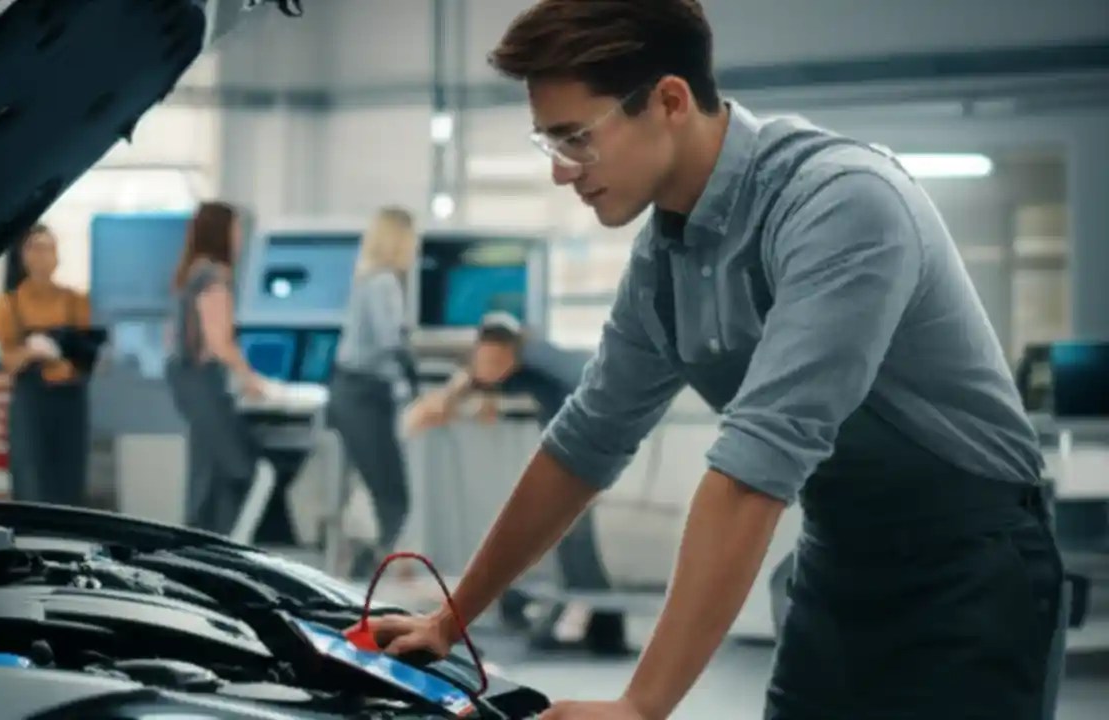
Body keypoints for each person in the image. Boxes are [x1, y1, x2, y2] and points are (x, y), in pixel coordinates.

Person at [358, 2, 1065, 719]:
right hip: (838, 557)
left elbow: (754, 467)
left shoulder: (842, 206)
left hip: (971, 566)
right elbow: (585, 442)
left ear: (668, 100)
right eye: (551, 145)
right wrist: (453, 620)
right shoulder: (664, 259)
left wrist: (641, 705)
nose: (563, 173)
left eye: (576, 138)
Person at [404, 312, 629, 656]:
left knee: (574, 538)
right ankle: (600, 630)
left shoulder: (544, 362)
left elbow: (598, 394)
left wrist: (597, 468)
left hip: (595, 437)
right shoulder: (513, 364)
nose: (488, 367)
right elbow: (474, 380)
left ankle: (602, 629)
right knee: (568, 540)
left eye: (495, 358)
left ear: (511, 351)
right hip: (577, 445)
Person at [166, 201, 273, 536]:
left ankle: (206, 543)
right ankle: (228, 542)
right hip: (202, 381)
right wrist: (251, 379)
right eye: (237, 229)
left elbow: (175, 335)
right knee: (240, 468)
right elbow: (219, 341)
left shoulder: (191, 271)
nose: (240, 237)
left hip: (185, 380)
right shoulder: (214, 277)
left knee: (207, 469)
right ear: (221, 233)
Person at [327, 206, 422, 579]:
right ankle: (381, 579)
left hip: (351, 391)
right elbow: (388, 341)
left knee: (375, 491)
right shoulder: (385, 282)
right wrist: (412, 380)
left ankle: (372, 568)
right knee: (393, 495)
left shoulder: (367, 279)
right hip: (364, 396)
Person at [0, 224, 93, 506]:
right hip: (31, 404)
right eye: (35, 248)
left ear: (58, 255)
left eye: (49, 248)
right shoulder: (9, 304)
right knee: (31, 480)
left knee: (69, 482)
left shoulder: (77, 302)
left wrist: (65, 358)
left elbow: (92, 356)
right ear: (22, 256)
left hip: (70, 403)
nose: (43, 256)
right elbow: (8, 361)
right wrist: (33, 351)